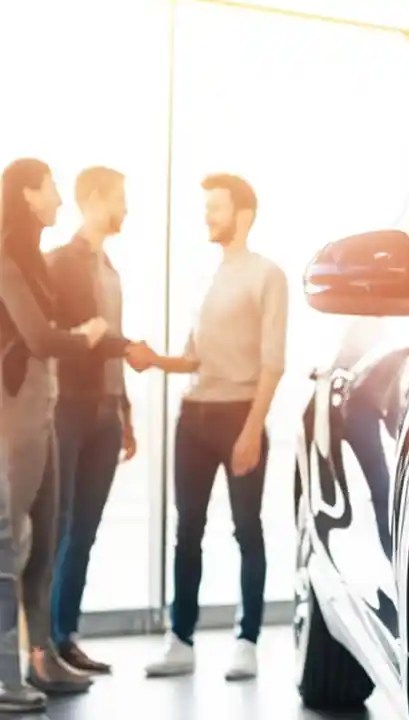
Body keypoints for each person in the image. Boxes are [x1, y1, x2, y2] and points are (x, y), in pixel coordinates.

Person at [137, 173, 287, 681]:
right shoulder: (207, 279)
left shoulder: (268, 276)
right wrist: (154, 359)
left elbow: (273, 365)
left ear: (242, 213)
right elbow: (193, 357)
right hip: (194, 418)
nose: (207, 216)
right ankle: (180, 638)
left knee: (247, 530)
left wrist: (251, 430)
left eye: (215, 208)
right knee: (187, 531)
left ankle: (247, 640)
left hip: (240, 416)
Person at [0, 158, 109, 703]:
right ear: (26, 194)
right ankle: (5, 678)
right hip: (13, 413)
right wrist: (86, 337)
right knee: (7, 544)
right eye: (51, 189)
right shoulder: (5, 261)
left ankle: (38, 662)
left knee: (42, 543)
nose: (60, 200)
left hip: (43, 408)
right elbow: (40, 339)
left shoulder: (34, 263)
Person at [47, 166, 145, 675]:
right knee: (57, 527)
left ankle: (65, 635)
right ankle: (42, 642)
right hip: (67, 409)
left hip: (106, 412)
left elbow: (113, 344)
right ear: (94, 199)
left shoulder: (111, 270)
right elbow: (57, 337)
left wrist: (126, 413)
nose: (125, 209)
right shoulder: (59, 262)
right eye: (120, 199)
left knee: (84, 530)